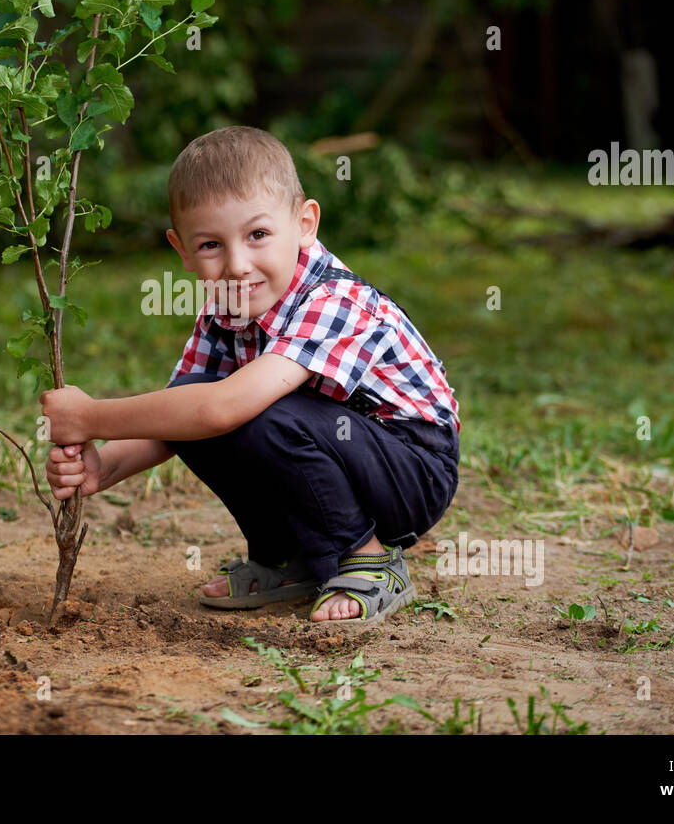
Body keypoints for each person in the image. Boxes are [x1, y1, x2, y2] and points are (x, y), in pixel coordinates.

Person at [41, 126, 459, 623]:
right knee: (193, 401)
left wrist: (91, 417)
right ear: (182, 250)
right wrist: (104, 467)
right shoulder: (225, 308)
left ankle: (369, 559)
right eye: (212, 245)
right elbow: (186, 413)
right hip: (333, 450)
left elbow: (224, 407)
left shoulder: (334, 301)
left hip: (409, 467)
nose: (238, 265)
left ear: (304, 224)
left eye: (257, 235)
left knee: (255, 409)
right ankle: (288, 560)